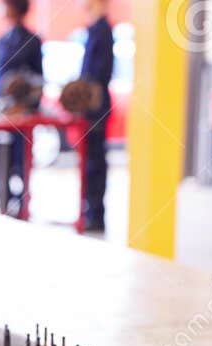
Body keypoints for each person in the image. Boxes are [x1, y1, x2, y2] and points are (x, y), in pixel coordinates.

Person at [0, 0, 45, 213]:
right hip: (3, 113)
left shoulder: (33, 40)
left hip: (23, 114)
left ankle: (22, 206)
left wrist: (27, 104)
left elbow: (39, 78)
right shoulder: (3, 39)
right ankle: (3, 203)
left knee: (21, 159)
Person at [78, 0, 114, 232]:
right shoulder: (93, 29)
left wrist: (86, 96)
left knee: (96, 162)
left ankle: (96, 214)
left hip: (97, 108)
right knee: (90, 161)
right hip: (89, 107)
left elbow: (99, 74)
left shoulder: (103, 30)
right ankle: (90, 210)